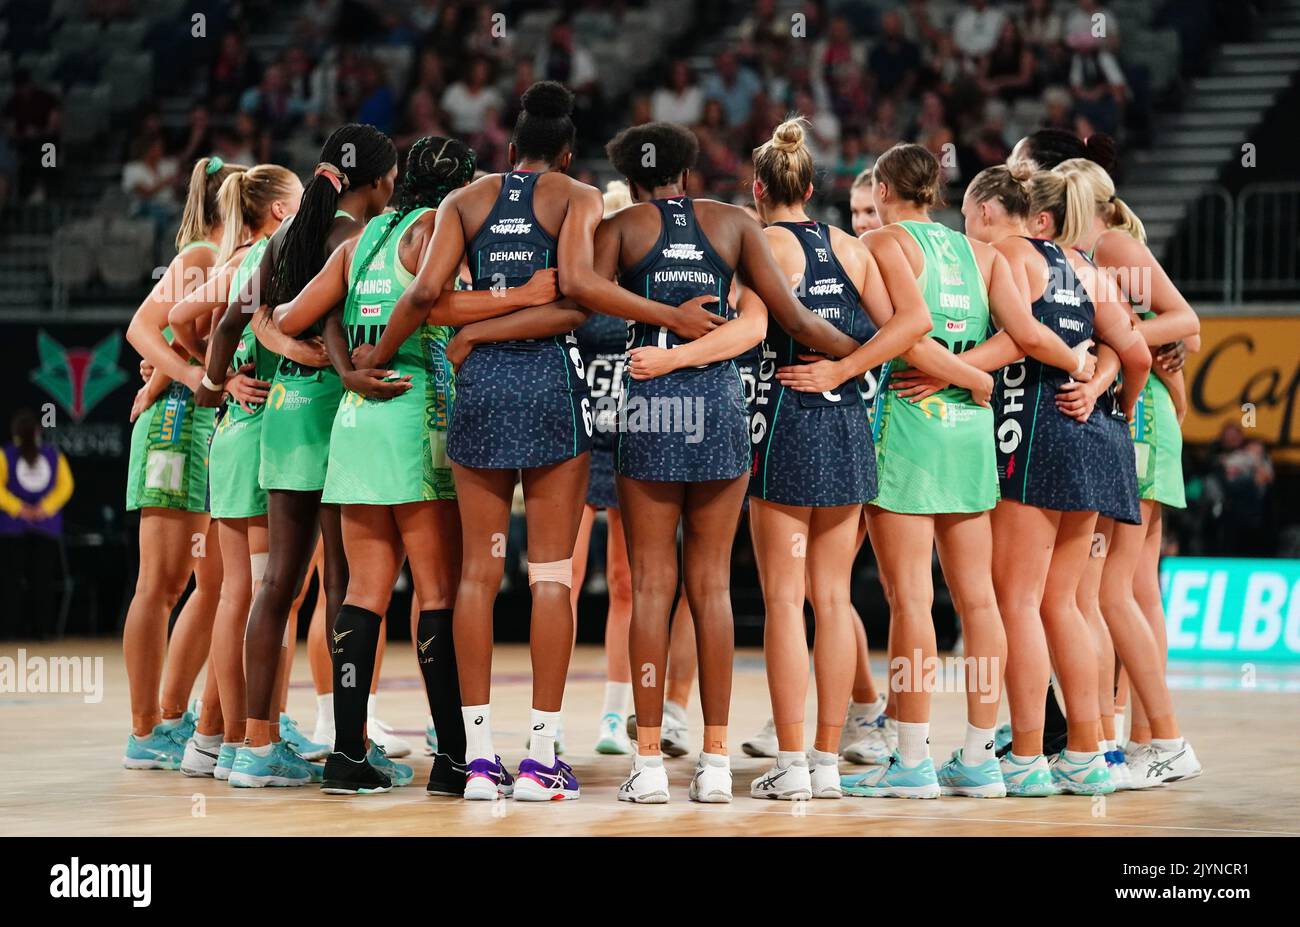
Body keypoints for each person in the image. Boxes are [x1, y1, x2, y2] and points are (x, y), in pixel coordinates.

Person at [564, 121, 866, 804]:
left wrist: (658, 314)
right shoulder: (733, 223)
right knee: (714, 589)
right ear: (688, 173)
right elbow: (791, 318)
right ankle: (719, 762)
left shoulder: (625, 226)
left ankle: (646, 765)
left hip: (649, 405)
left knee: (649, 586)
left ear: (634, 180)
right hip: (721, 406)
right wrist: (857, 358)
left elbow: (580, 287)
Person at [777, 143, 1088, 799]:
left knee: (910, 599)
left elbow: (906, 335)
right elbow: (1024, 333)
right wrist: (973, 370)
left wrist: (948, 369)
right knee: (980, 600)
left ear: (886, 191)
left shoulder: (888, 242)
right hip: (971, 430)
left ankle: (913, 758)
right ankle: (980, 755)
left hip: (912, 424)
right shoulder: (981, 252)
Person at [277, 135, 537, 796]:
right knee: (437, 590)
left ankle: (346, 753)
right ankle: (453, 758)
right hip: (415, 415)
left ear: (399, 179)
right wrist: (522, 297)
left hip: (356, 423)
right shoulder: (433, 228)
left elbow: (290, 317)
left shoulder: (357, 240)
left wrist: (344, 367)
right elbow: (432, 303)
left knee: (363, 591)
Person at [363, 83, 595, 802]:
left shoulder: (464, 202)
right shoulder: (576, 197)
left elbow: (424, 297)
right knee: (552, 577)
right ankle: (541, 758)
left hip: (483, 392)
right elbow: (578, 301)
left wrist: (372, 361)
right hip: (550, 386)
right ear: (564, 151)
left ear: (507, 146)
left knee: (476, 578)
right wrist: (527, 300)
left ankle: (479, 759)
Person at [195, 125, 401, 777]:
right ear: (373, 182)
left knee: (275, 584)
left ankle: (253, 748)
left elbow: (229, 323)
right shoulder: (350, 237)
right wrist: (344, 369)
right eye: (388, 177)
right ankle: (350, 747)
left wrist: (214, 384)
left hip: (278, 414)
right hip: (326, 414)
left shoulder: (283, 238)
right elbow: (336, 321)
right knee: (342, 585)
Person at [743, 119, 931, 800]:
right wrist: (847, 368)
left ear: (757, 187)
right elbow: (911, 324)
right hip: (850, 422)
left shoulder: (759, 244)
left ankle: (791, 762)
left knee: (784, 602)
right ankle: (826, 762)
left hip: (788, 420)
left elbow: (746, 329)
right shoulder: (851, 247)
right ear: (814, 186)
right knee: (833, 597)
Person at [958, 162, 1150, 795]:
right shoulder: (1085, 266)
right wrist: (1105, 393)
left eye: (966, 216)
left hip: (1038, 431)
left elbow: (1020, 337)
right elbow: (1136, 350)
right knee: (1063, 603)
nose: (966, 229)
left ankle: (1029, 756)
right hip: (1097, 438)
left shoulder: (1008, 254)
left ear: (990, 211)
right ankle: (1088, 755)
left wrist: (947, 369)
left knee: (1016, 601)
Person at [1059, 156, 1203, 785]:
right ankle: (1141, 737)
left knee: (1115, 591)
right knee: (1136, 592)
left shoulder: (1110, 243)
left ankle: (1151, 738)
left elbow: (1187, 323)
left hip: (1139, 424)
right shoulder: (1100, 248)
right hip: (1147, 421)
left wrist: (1127, 336)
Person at [168, 163, 309, 784]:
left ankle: (215, 739)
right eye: (302, 199)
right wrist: (222, 377)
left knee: (234, 594)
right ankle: (249, 738)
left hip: (229, 433)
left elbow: (178, 320)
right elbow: (175, 322)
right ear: (280, 211)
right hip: (260, 435)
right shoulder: (272, 260)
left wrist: (214, 376)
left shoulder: (232, 264)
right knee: (261, 593)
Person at [120, 155, 245, 770]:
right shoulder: (200, 255)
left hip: (209, 424)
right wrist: (195, 374)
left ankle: (173, 714)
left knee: (215, 584)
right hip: (177, 423)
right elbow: (142, 329)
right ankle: (145, 728)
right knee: (161, 584)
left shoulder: (234, 258)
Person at [571, 180, 637, 755]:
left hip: (632, 442)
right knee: (560, 581)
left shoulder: (646, 289)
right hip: (582, 443)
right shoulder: (583, 288)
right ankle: (554, 712)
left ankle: (615, 716)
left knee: (624, 584)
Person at [0, 409, 73, 639]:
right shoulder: (53, 455)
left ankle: (10, 631)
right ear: (38, 431)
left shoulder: (5, 454)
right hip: (44, 526)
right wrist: (44, 508)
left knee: (11, 581)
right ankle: (43, 631)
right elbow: (66, 486)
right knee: (42, 581)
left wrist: (19, 509)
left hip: (12, 527)